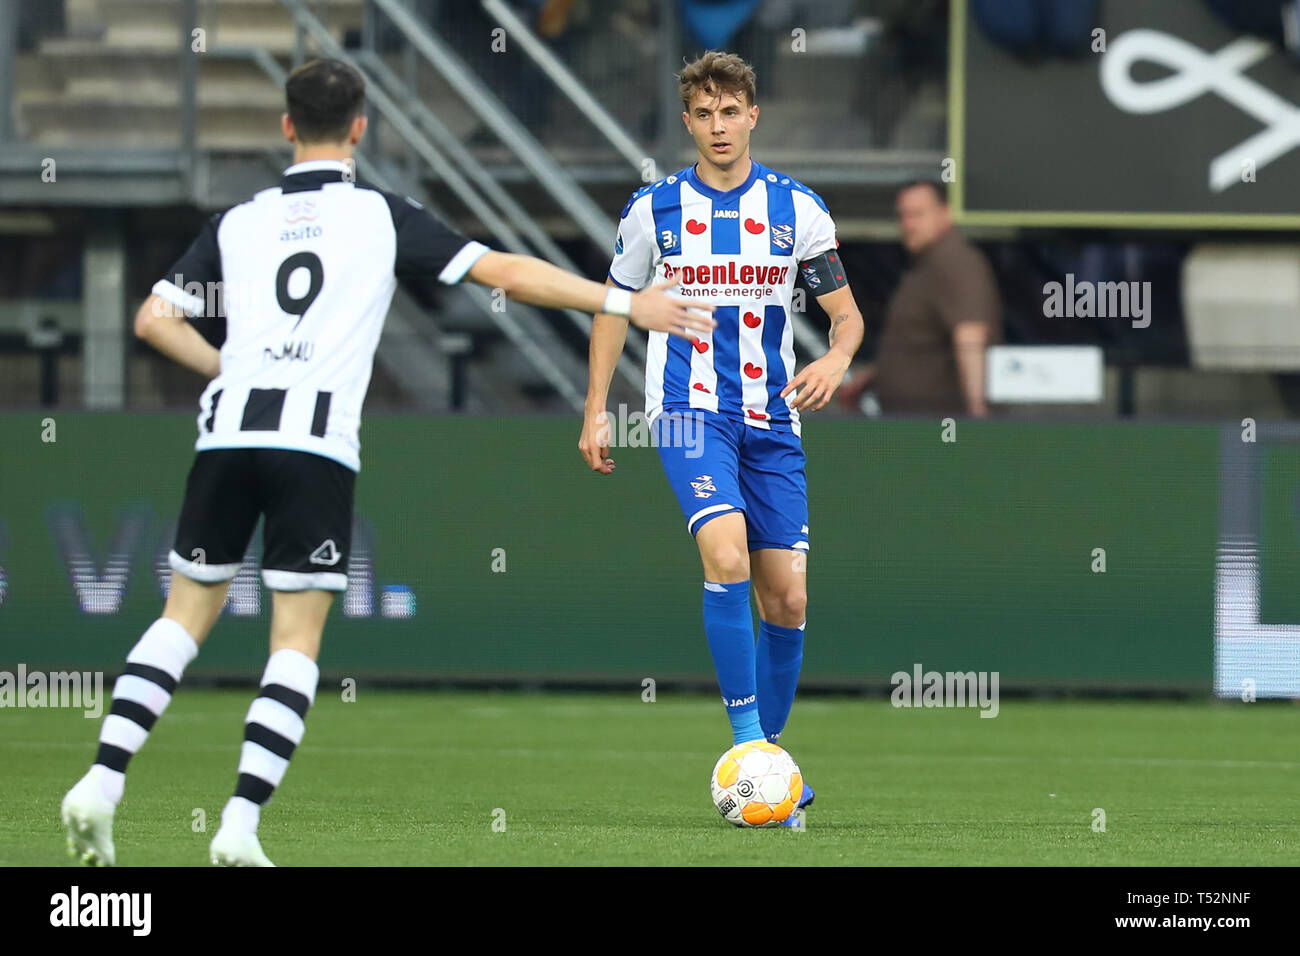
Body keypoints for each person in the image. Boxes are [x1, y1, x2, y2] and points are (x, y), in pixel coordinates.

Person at [59, 57, 713, 867]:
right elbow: (507, 274)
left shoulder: (241, 219)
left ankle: (102, 780)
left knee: (180, 621)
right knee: (293, 642)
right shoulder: (378, 215)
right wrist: (627, 301)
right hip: (313, 444)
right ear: (361, 128)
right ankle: (237, 828)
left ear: (286, 127)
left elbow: (155, 318)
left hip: (226, 435)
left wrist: (230, 371)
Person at [577, 51, 865, 827]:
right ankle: (746, 745)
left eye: (730, 111)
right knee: (726, 554)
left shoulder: (797, 209)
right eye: (703, 114)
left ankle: (767, 764)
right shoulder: (653, 210)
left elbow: (845, 314)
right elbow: (613, 308)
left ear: (752, 115)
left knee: (790, 598)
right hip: (687, 409)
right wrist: (597, 405)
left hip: (773, 420)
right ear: (687, 122)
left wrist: (837, 358)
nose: (718, 126)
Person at [842, 180, 1001, 417]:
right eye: (903, 216)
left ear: (946, 213)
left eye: (917, 215)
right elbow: (922, 342)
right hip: (915, 428)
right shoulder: (928, 264)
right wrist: (878, 374)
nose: (908, 225)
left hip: (941, 433)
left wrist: (977, 419)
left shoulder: (956, 261)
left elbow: (971, 336)